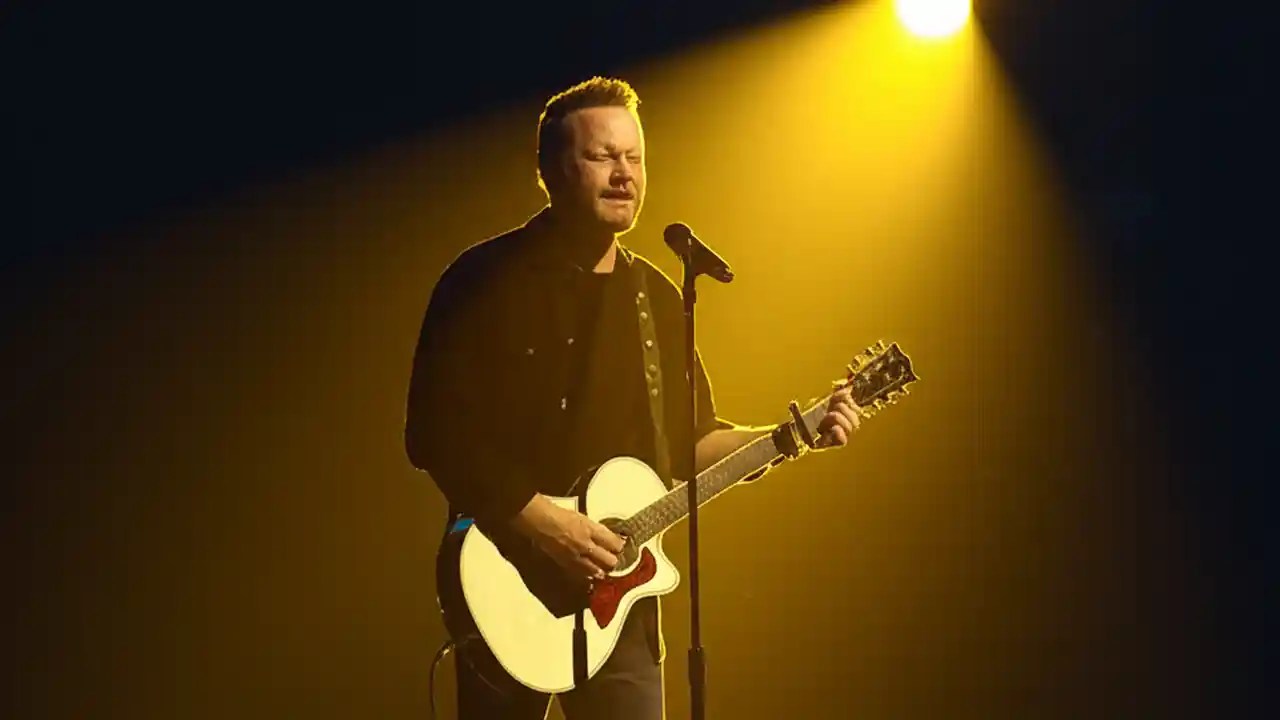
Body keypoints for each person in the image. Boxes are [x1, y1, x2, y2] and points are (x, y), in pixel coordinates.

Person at [404, 76, 860, 720]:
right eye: (602, 157)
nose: (624, 175)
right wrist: (545, 524)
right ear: (551, 171)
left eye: (634, 158)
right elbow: (433, 432)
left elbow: (692, 442)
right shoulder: (481, 280)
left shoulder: (657, 298)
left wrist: (797, 430)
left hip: (620, 608)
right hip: (505, 581)